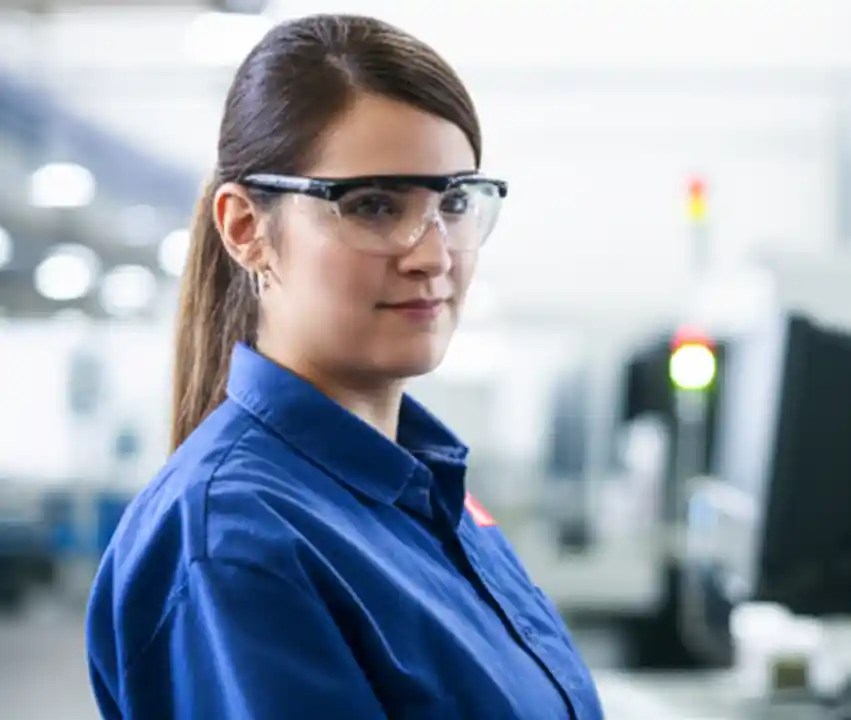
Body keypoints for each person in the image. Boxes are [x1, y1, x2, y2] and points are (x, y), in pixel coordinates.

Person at [85, 14, 604, 719]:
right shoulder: (240, 544)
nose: (433, 254)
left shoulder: (423, 492)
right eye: (374, 205)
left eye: (453, 202)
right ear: (246, 230)